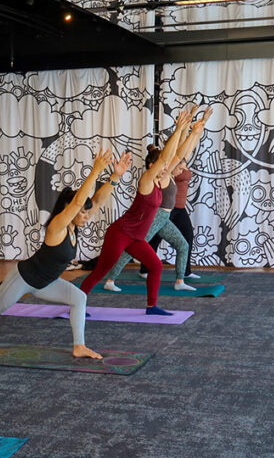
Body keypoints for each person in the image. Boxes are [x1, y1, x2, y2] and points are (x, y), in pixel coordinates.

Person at [0, 150, 130, 359]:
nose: (86, 216)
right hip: (23, 279)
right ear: (68, 210)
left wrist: (115, 177)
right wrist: (96, 170)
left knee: (79, 298)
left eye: (86, 213)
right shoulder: (57, 227)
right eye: (81, 212)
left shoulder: (75, 226)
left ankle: (79, 346)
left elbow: (95, 202)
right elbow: (78, 202)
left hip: (46, 282)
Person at [79, 107, 199, 314]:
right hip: (121, 233)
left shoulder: (163, 179)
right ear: (151, 166)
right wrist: (178, 129)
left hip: (137, 237)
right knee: (101, 270)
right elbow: (164, 159)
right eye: (161, 166)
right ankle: (78, 305)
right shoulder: (146, 181)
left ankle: (152, 306)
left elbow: (178, 155)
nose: (166, 168)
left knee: (156, 266)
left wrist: (185, 129)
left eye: (166, 167)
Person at [104, 112, 208, 291]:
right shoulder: (153, 179)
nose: (168, 165)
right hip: (153, 218)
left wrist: (193, 132)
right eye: (163, 163)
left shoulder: (167, 173)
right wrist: (182, 131)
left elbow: (181, 152)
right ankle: (110, 280)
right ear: (154, 165)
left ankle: (179, 282)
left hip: (164, 219)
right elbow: (171, 155)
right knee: (131, 250)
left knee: (183, 245)